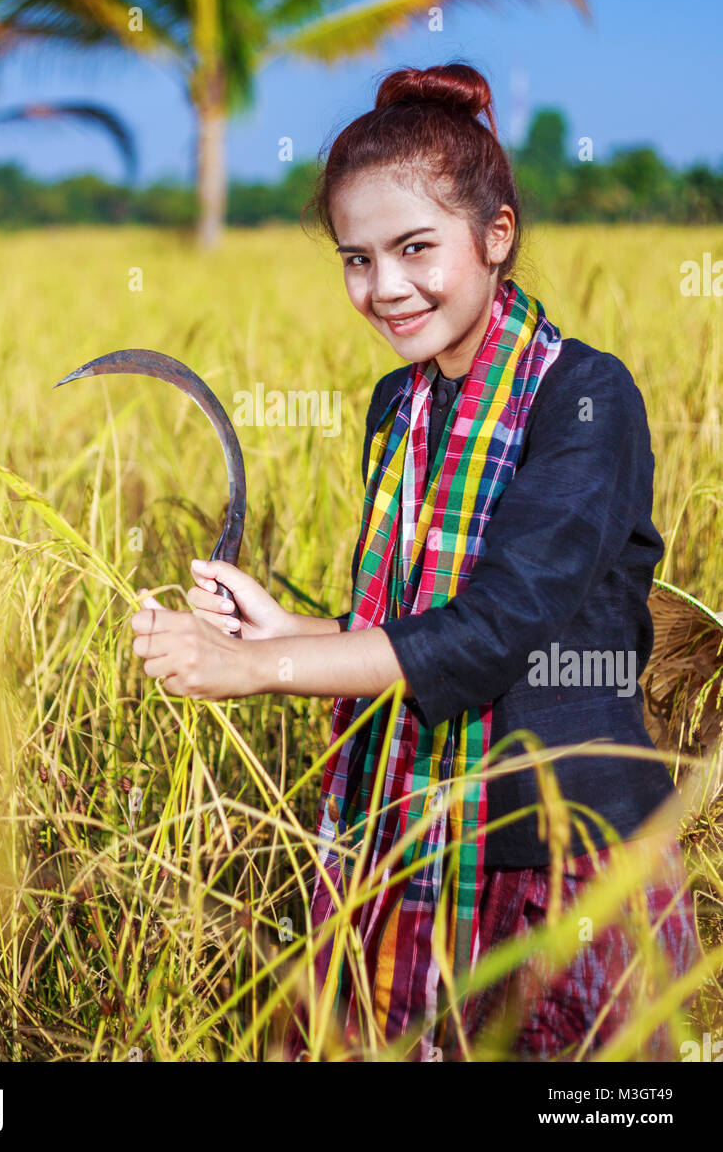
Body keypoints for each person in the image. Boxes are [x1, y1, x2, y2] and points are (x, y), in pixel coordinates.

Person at [129, 62, 701, 1061]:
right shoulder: (399, 408)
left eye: (414, 248)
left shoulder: (585, 399)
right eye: (356, 258)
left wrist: (257, 669)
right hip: (408, 841)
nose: (384, 286)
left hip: (560, 859)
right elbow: (401, 633)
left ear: (496, 236)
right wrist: (278, 629)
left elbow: (488, 635)